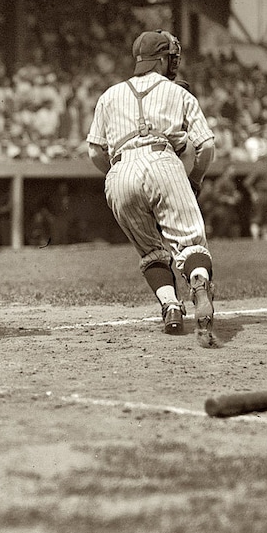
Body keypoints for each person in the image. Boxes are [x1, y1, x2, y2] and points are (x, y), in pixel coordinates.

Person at [86, 30, 218, 347]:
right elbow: (207, 146)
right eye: (170, 57)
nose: (173, 62)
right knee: (190, 244)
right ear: (160, 60)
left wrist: (117, 172)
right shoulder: (179, 93)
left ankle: (171, 306)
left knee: (151, 251)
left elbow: (94, 151)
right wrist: (194, 179)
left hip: (120, 169)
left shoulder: (109, 95)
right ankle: (199, 285)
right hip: (163, 159)